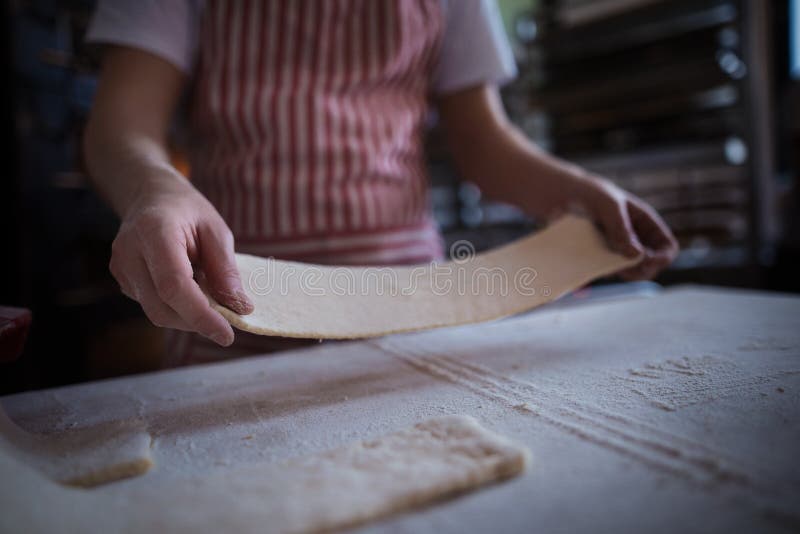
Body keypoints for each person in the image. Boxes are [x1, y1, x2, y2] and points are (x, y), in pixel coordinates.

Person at [84, 0, 678, 366]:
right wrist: (154, 188)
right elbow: (120, 128)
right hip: (232, 319)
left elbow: (486, 146)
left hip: (415, 320)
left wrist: (577, 195)